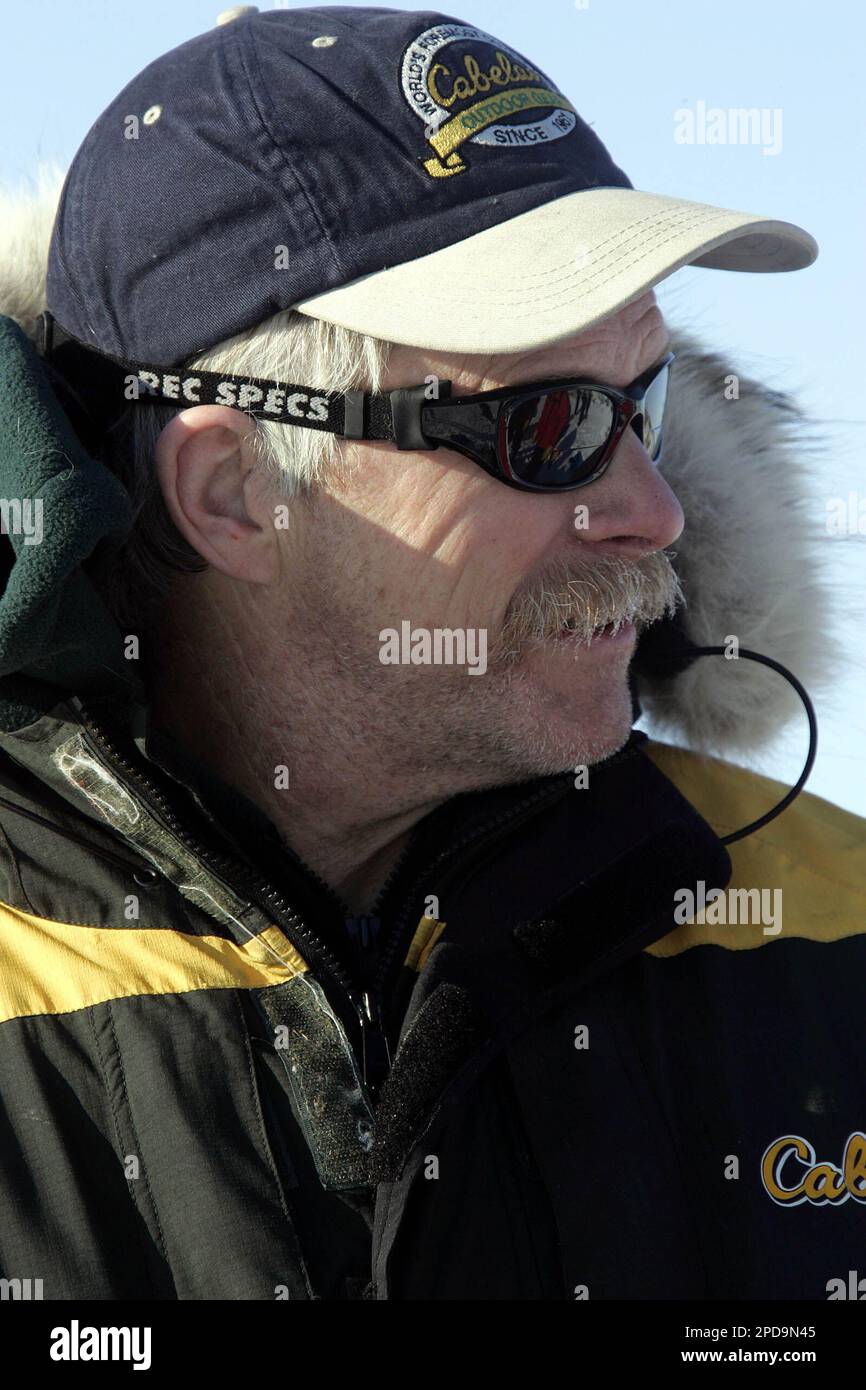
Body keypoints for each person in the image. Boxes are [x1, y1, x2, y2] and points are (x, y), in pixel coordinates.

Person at [0, 5, 862, 1302]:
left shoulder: (828, 921)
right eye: (549, 425)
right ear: (234, 491)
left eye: (647, 402)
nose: (654, 509)